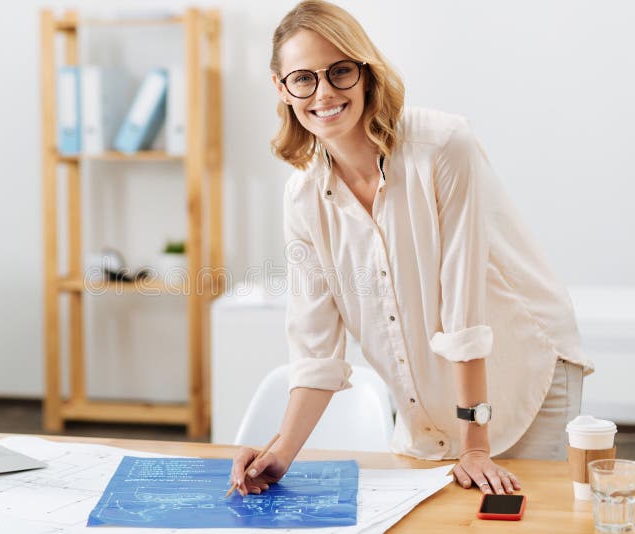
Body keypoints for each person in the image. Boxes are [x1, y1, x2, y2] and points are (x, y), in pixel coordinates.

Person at [230, 0, 593, 498]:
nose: (325, 93)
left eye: (340, 72)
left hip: (524, 371)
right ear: (281, 87)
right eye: (303, 79)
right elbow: (315, 348)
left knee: (521, 521)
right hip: (429, 405)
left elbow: (463, 307)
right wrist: (280, 454)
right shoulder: (303, 197)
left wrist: (475, 444)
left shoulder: (441, 147)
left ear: (365, 71)